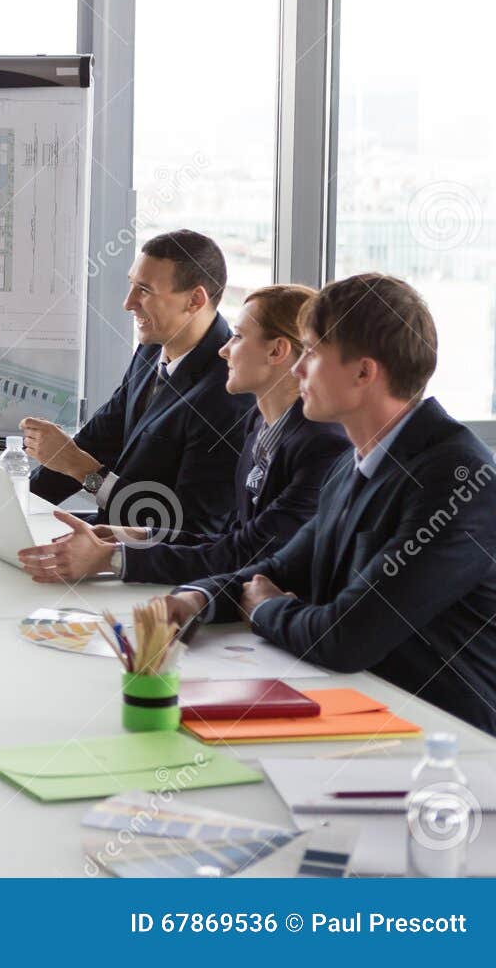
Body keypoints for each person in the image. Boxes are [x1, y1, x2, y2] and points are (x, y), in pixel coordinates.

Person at [166, 274, 496, 733]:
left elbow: (347, 637)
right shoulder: (351, 464)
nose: (298, 369)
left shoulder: (461, 481)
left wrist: (264, 610)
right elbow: (283, 569)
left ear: (364, 372)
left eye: (312, 352)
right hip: (360, 711)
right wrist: (197, 599)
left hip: (447, 739)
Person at [17, 284, 350, 583]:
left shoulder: (318, 444)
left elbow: (246, 552)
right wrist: (135, 537)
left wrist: (114, 558)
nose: (224, 350)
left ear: (276, 351)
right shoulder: (259, 426)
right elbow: (232, 536)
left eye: (238, 336)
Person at [22, 230, 251, 532]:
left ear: (195, 299)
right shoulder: (152, 348)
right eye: (132, 285)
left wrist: (79, 467)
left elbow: (187, 529)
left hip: (155, 560)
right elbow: (99, 438)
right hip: (111, 535)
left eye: (144, 290)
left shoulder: (229, 392)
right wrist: (16, 504)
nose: (128, 303)